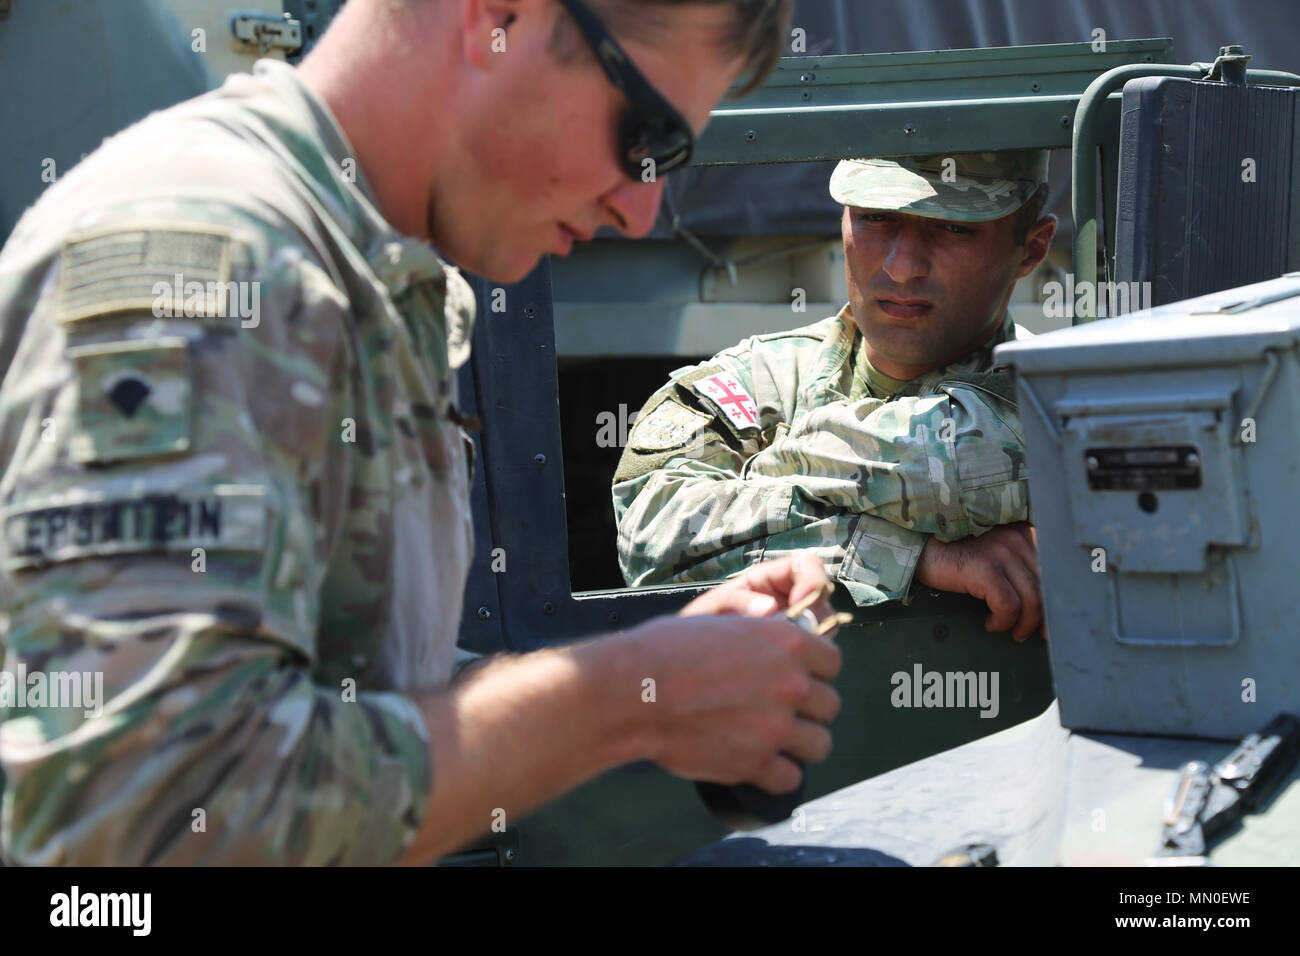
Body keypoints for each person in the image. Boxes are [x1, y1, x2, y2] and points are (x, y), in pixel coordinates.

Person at [0, 0, 845, 866]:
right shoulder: (205, 262)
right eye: (646, 137)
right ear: (495, 18)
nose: (640, 208)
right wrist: (626, 697)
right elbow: (141, 821)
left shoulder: (358, 266)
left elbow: (345, 694)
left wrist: (670, 668)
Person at [613, 150, 1058, 641]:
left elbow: (952, 464)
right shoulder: (755, 379)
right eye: (876, 219)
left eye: (953, 228)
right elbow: (649, 540)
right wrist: (915, 555)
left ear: (1031, 250)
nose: (903, 266)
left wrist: (768, 474)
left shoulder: (1065, 400)